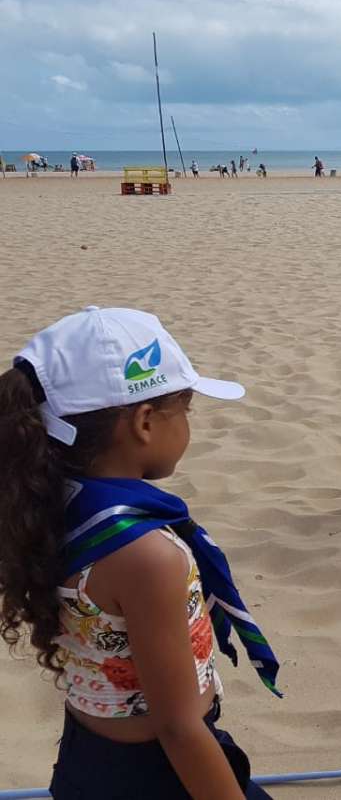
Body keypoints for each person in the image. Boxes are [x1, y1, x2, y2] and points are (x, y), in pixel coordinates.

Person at [0, 307, 278, 798]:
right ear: (145, 421)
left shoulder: (45, 501)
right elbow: (178, 728)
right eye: (185, 409)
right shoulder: (148, 557)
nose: (188, 424)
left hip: (87, 753)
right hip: (159, 772)